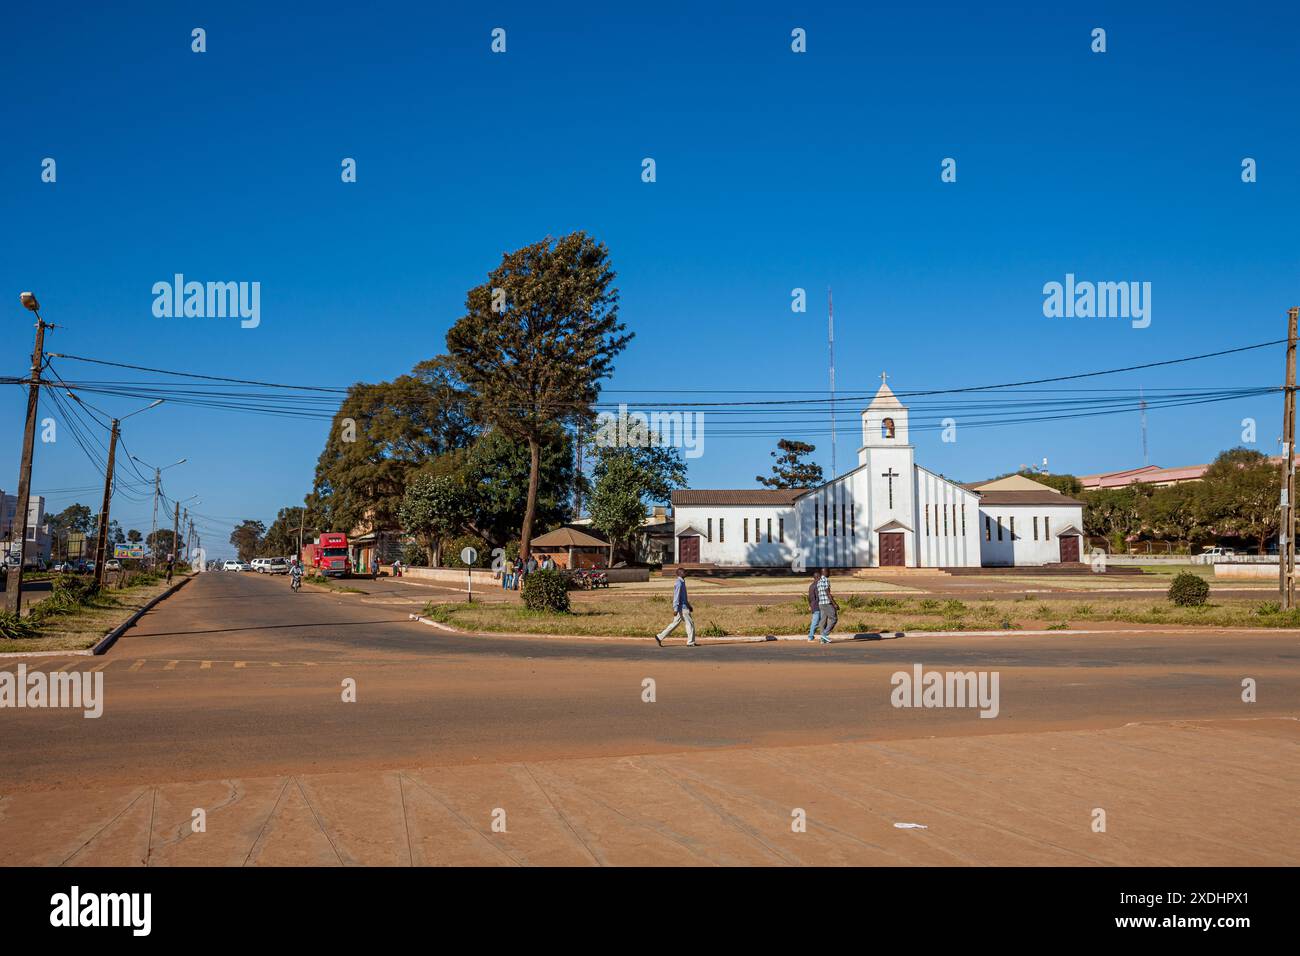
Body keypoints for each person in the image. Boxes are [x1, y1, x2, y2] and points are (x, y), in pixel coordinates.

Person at [654, 568, 696, 647]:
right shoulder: (679, 583)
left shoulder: (682, 582)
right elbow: (676, 597)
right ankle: (690, 642)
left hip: (683, 607)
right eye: (684, 572)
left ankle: (659, 637)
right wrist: (675, 609)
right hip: (682, 608)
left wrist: (689, 606)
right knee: (690, 624)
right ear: (680, 573)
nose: (686, 573)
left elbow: (684, 597)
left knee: (674, 624)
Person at [814, 567, 837, 644]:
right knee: (834, 618)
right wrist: (834, 604)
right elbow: (828, 593)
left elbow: (819, 593)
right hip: (827, 603)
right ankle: (824, 634)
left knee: (823, 621)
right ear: (825, 572)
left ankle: (822, 640)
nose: (829, 573)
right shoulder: (825, 580)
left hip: (821, 603)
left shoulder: (819, 581)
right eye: (828, 572)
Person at [807, 570, 822, 641]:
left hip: (813, 605)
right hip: (817, 606)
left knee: (817, 621)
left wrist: (810, 605)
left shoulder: (811, 586)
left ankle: (820, 636)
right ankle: (810, 636)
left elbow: (809, 597)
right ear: (818, 577)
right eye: (820, 577)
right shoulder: (817, 586)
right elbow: (817, 597)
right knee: (815, 622)